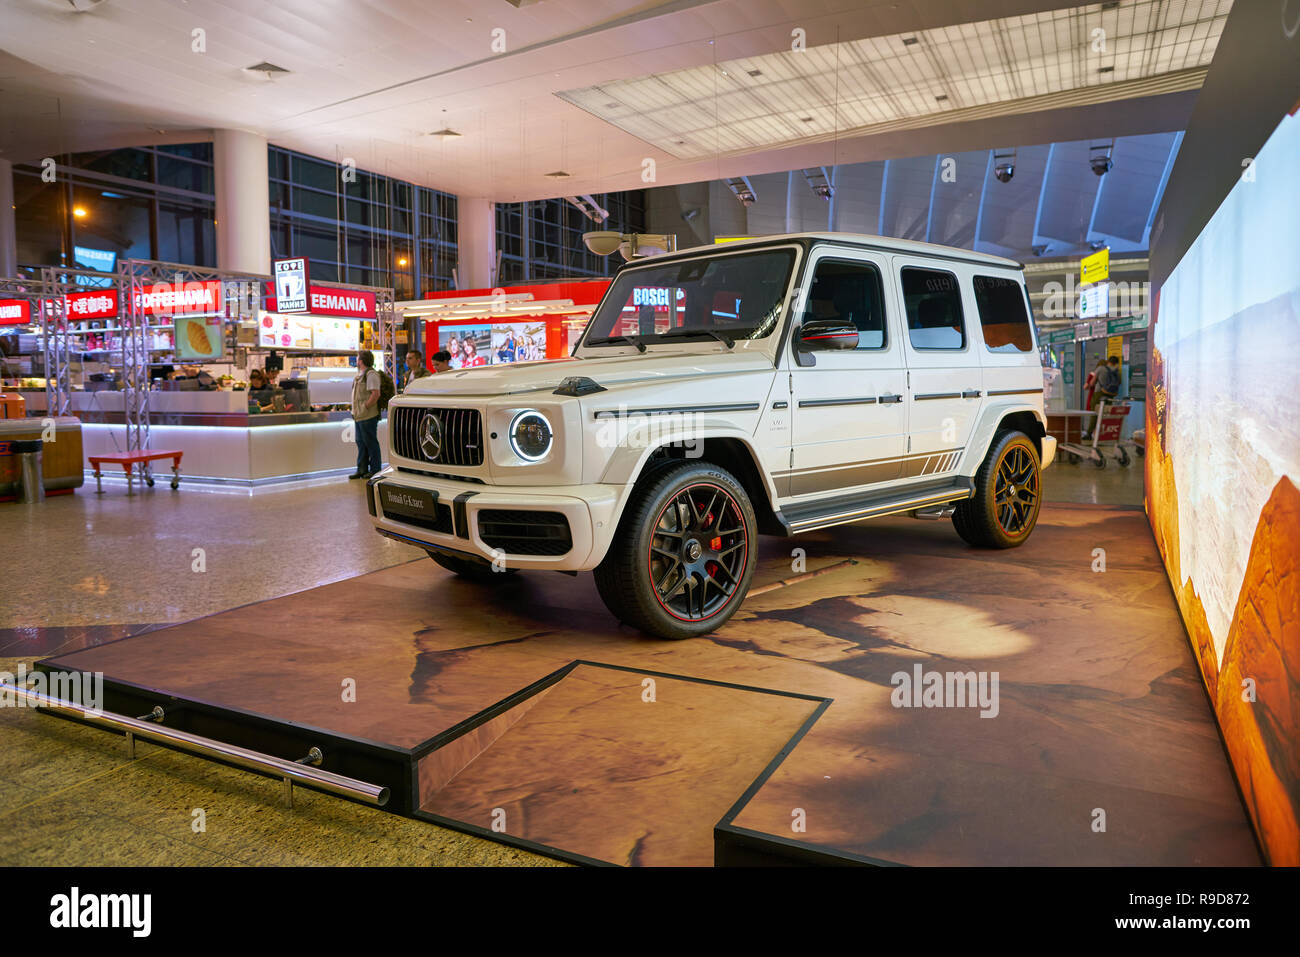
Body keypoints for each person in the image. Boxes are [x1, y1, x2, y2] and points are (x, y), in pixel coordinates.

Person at [350, 350, 382, 480]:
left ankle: (375, 470)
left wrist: (365, 407)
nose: (356, 361)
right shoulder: (360, 375)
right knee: (361, 443)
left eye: (358, 359)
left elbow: (375, 394)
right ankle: (362, 469)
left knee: (371, 443)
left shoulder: (371, 374)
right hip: (359, 415)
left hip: (367, 416)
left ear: (361, 361)